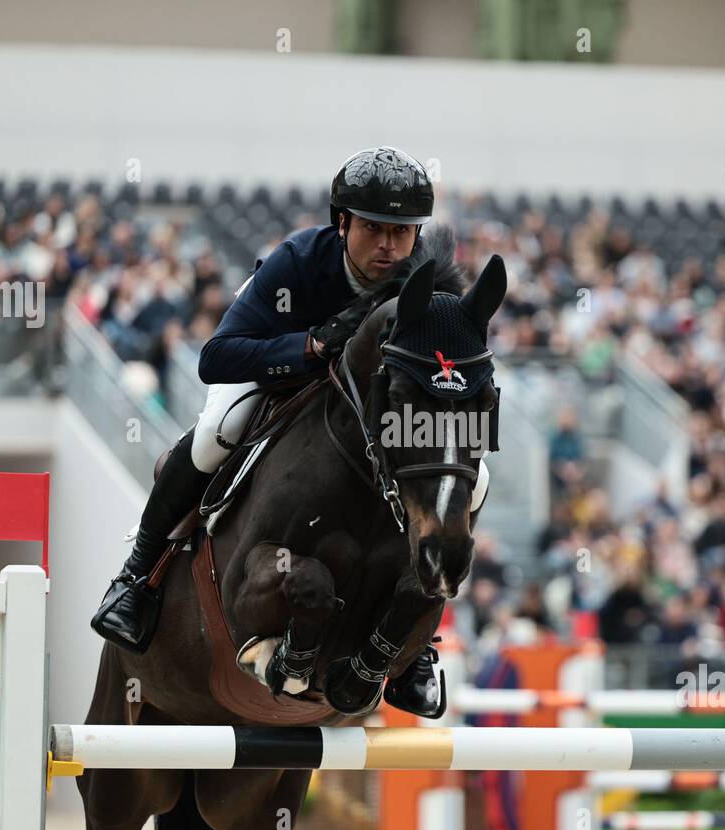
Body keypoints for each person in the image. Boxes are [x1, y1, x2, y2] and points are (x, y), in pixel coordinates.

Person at [91, 147, 490, 711]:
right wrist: (306, 346)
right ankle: (138, 579)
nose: (389, 247)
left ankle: (417, 639)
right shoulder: (297, 262)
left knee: (473, 473)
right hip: (276, 376)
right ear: (343, 222)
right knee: (215, 433)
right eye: (374, 230)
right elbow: (218, 356)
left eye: (402, 234)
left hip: (365, 404)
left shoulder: (422, 273)